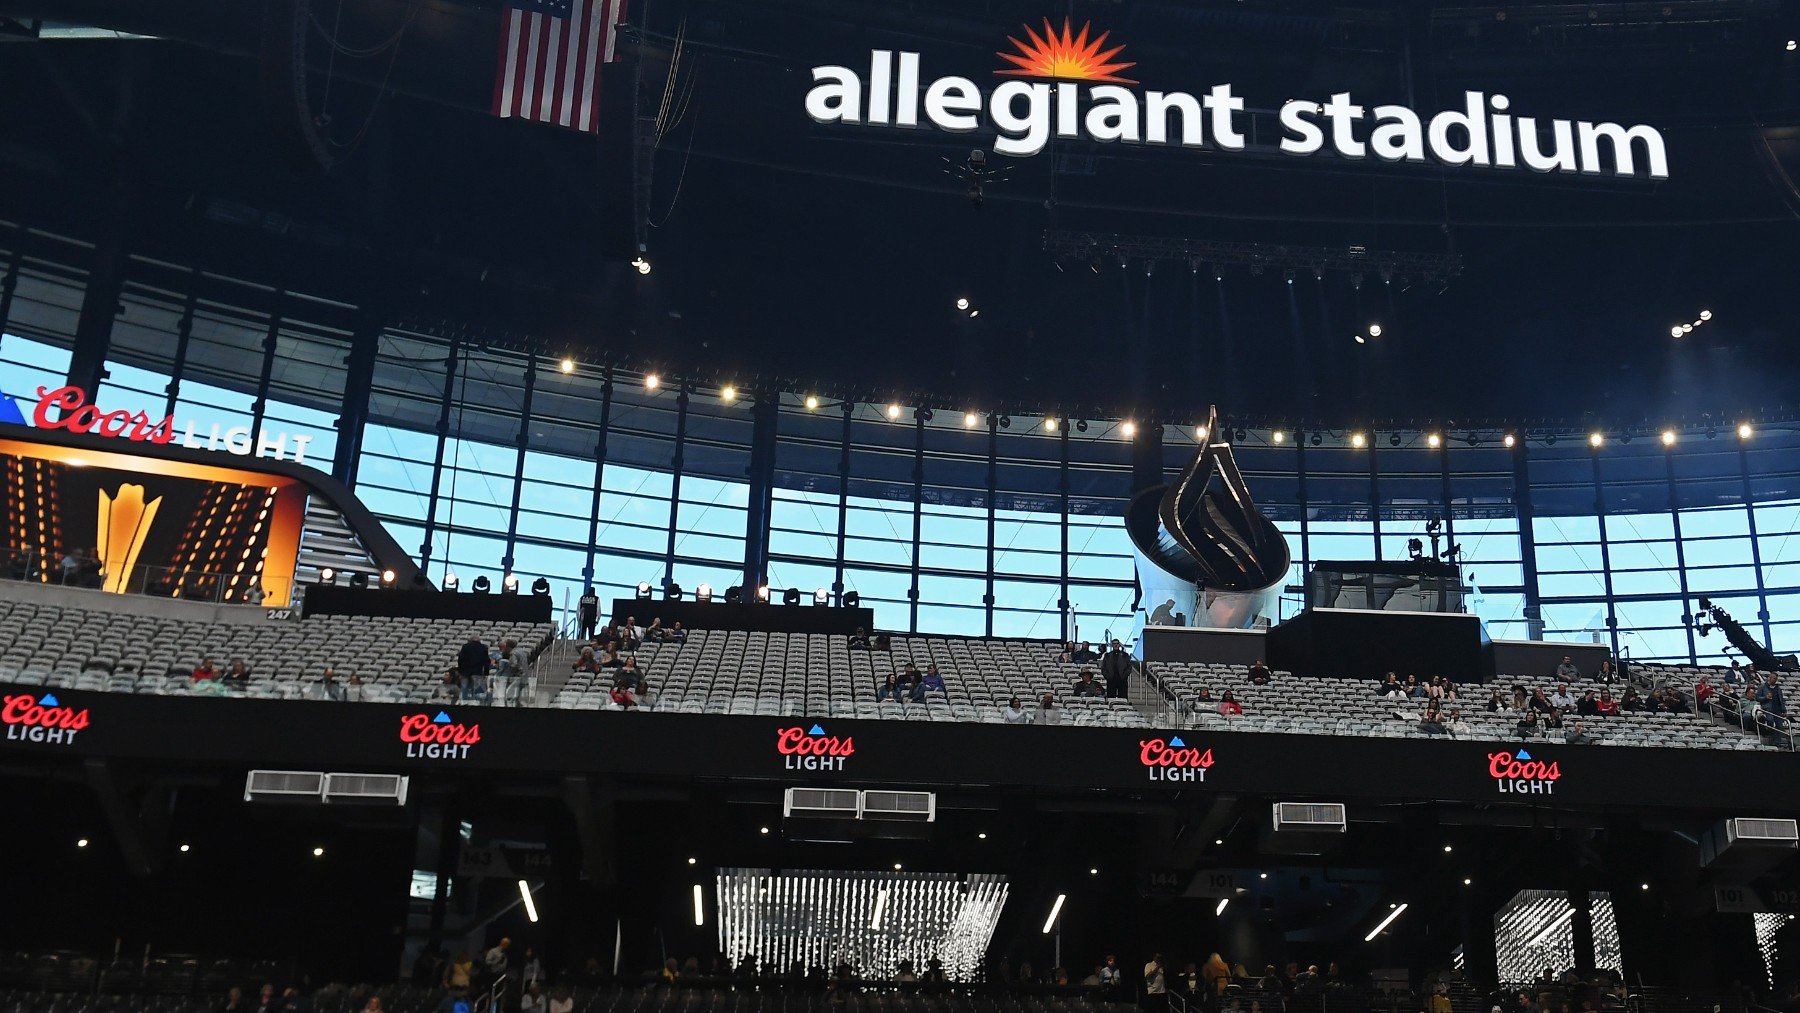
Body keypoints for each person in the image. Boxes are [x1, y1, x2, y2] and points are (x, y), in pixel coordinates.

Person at [457, 636, 491, 702]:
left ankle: (464, 704)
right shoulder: (484, 647)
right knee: (477, 692)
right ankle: (477, 704)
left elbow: (460, 660)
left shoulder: (465, 647)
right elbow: (486, 661)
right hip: (477, 672)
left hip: (465, 672)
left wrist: (460, 671)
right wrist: (486, 673)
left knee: (464, 690)